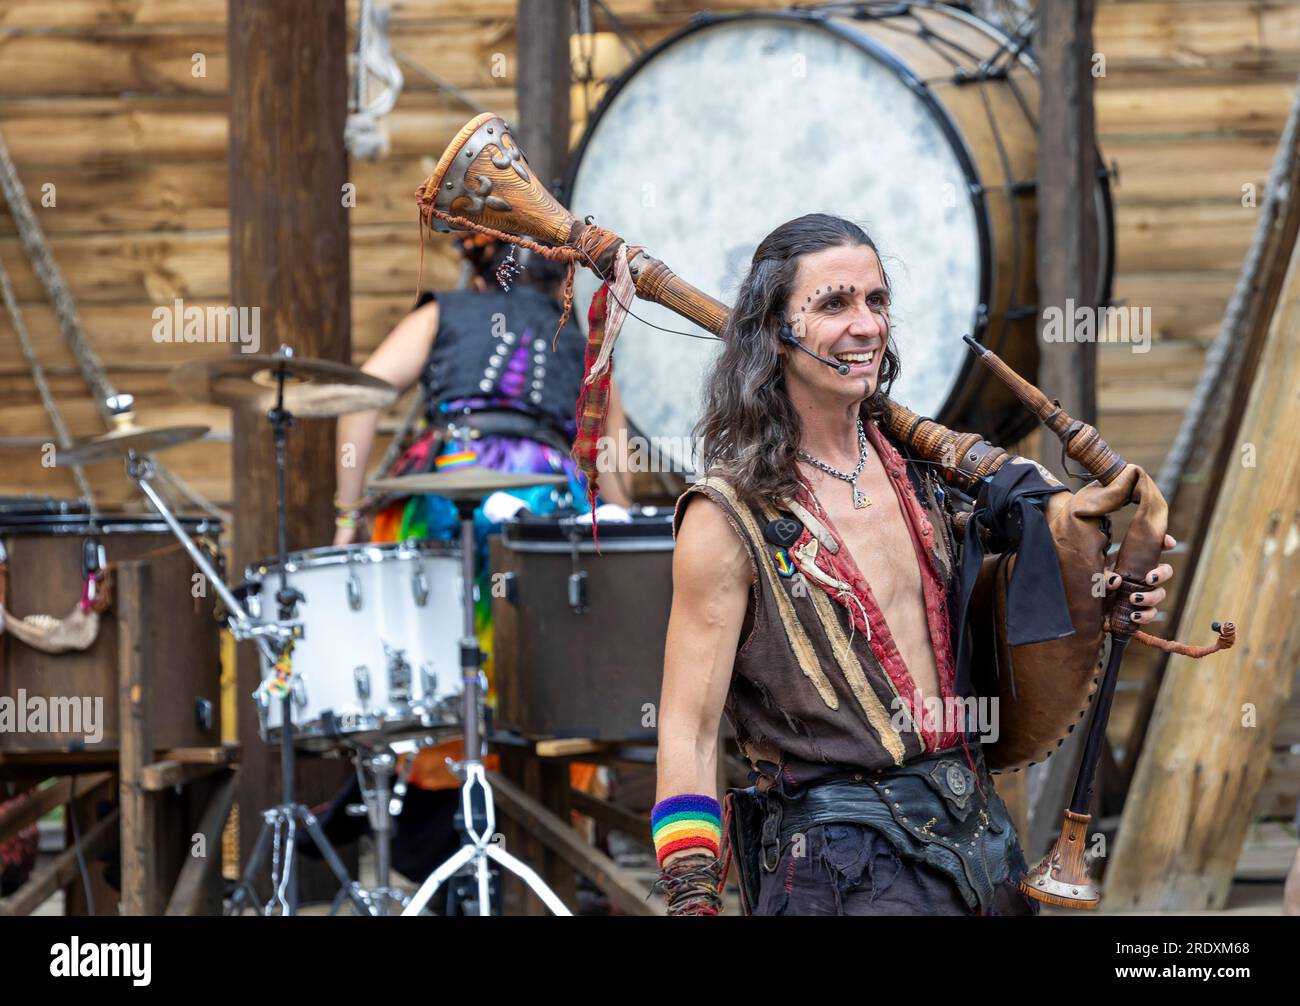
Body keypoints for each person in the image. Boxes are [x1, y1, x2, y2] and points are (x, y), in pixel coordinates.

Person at [651, 213, 1177, 916]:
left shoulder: (923, 482)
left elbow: (996, 614)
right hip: (838, 869)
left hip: (978, 843)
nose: (866, 325)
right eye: (834, 304)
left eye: (876, 300)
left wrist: (1100, 583)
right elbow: (688, 728)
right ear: (775, 332)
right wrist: (692, 899)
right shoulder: (725, 517)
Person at [328, 234, 631, 884]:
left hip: (448, 485)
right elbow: (616, 480)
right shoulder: (585, 344)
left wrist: (347, 516)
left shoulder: (444, 312)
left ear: (477, 268)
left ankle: (431, 812)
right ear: (562, 281)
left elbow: (358, 397)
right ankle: (532, 821)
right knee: (532, 668)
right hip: (546, 503)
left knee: (440, 661)